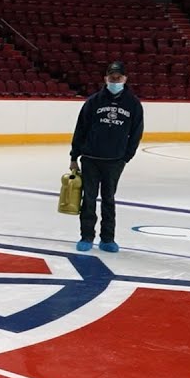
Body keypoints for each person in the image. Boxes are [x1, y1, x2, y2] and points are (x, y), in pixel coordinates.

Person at [69, 61, 144, 253]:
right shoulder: (93, 101)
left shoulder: (133, 104)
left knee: (108, 199)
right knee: (89, 199)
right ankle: (86, 237)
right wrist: (74, 156)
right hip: (90, 158)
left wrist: (126, 156)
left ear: (125, 79)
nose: (115, 81)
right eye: (112, 77)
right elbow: (80, 129)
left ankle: (108, 239)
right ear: (106, 78)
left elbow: (136, 132)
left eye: (118, 78)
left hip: (115, 161)